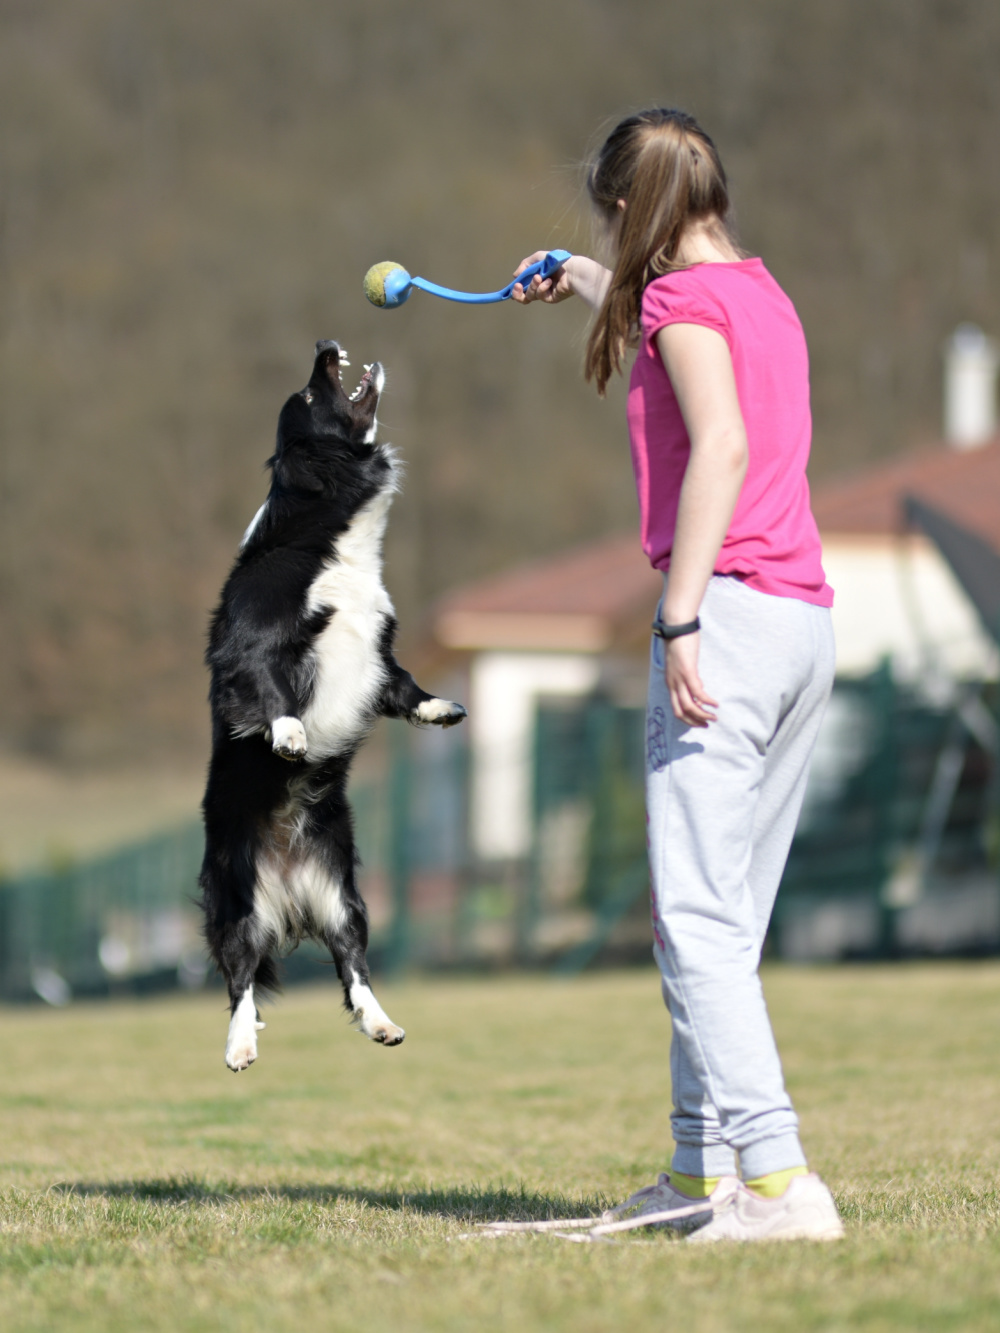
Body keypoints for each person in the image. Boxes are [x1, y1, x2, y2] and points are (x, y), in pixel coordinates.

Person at [513, 108, 842, 1243]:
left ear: (625, 203)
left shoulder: (676, 307)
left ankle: (779, 1181)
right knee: (724, 923)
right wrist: (587, 277)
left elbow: (724, 448)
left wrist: (681, 617)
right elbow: (695, 327)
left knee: (696, 922)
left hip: (733, 621)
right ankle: (699, 1175)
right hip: (800, 626)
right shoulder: (755, 288)